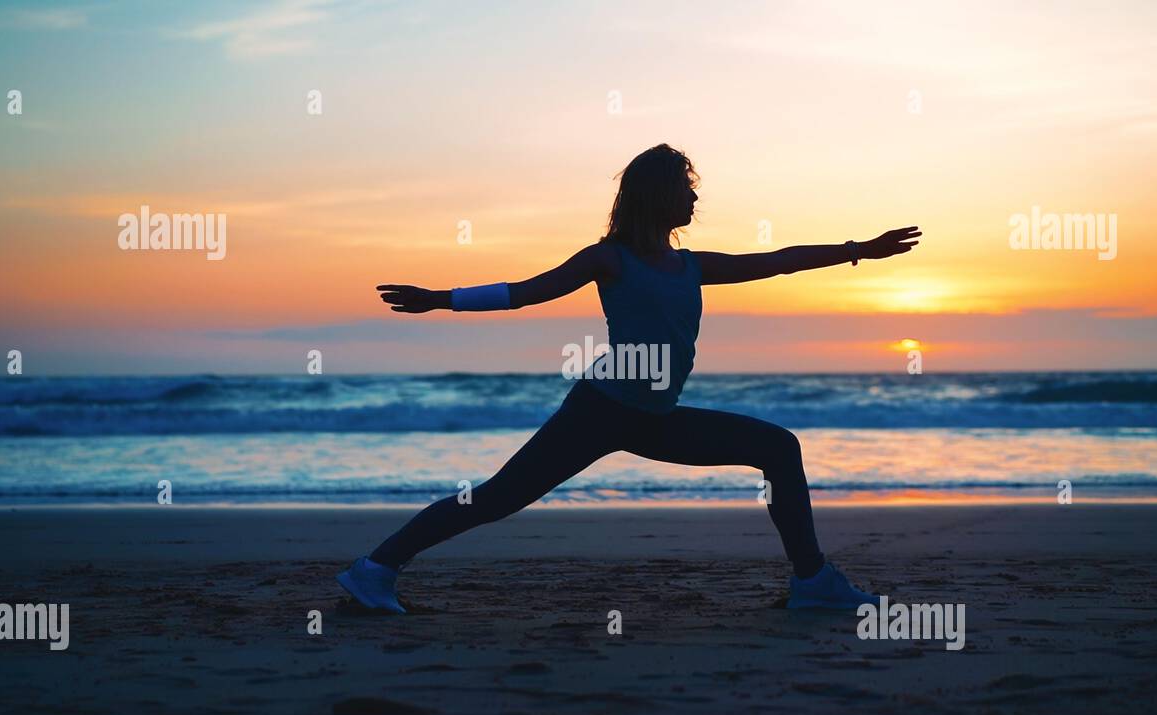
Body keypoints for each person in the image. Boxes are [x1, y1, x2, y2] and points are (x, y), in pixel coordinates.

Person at [337, 144, 921, 613]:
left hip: (657, 420)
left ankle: (812, 581)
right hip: (600, 411)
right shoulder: (608, 258)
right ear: (658, 195)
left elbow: (775, 262)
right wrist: (439, 299)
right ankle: (376, 568)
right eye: (686, 188)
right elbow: (523, 292)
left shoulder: (693, 266)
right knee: (496, 499)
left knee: (778, 448)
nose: (694, 199)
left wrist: (857, 251)